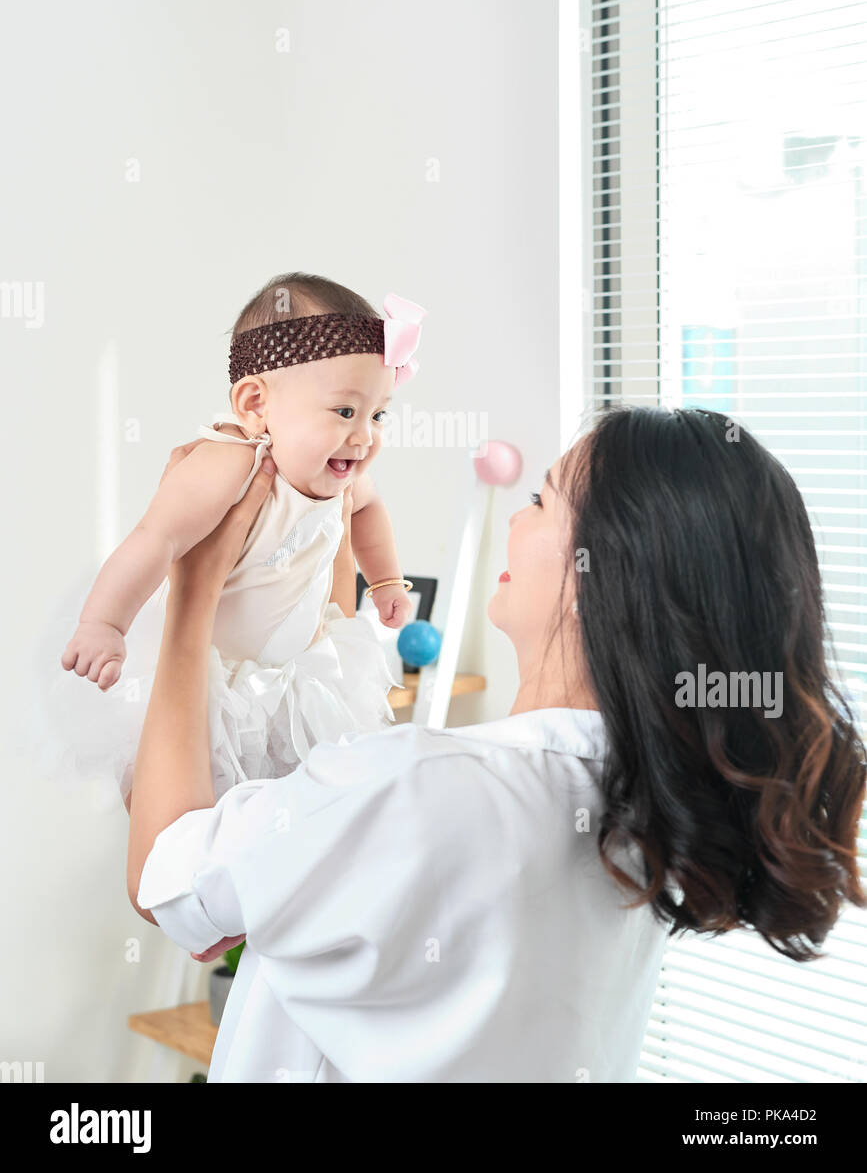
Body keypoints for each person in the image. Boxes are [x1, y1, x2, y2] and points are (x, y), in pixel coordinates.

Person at [128, 406, 867, 1082]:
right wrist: (329, 541)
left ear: (596, 574)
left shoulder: (415, 785)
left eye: (541, 500)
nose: (517, 517)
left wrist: (193, 585)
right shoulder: (656, 812)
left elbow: (165, 876)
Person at [33, 273, 427, 808]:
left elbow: (370, 510)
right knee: (191, 808)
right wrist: (104, 623)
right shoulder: (231, 463)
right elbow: (155, 538)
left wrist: (385, 580)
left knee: (287, 807)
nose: (365, 436)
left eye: (378, 414)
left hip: (295, 677)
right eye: (345, 411)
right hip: (208, 679)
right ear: (255, 404)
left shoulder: (343, 477)